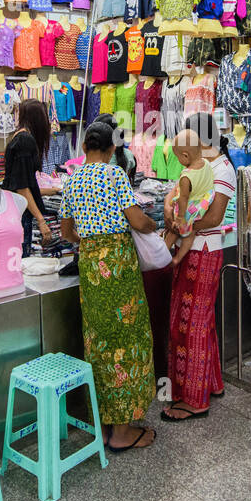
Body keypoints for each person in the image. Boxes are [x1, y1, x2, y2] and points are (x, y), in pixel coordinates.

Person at [59, 122, 159, 451]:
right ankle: (122, 431)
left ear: (85, 146)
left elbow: (66, 231)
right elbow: (136, 219)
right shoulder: (114, 174)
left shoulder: (72, 181)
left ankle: (102, 426)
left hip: (91, 269)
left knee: (99, 342)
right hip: (117, 267)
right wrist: (155, 223)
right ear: (112, 149)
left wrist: (87, 241)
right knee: (127, 340)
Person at [161, 112, 234, 421]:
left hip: (203, 250)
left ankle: (193, 400)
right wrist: (170, 209)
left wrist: (180, 225)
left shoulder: (222, 169)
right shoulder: (200, 165)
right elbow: (175, 193)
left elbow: (214, 218)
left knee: (190, 324)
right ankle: (212, 384)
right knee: (201, 322)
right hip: (194, 247)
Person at [2, 99, 56, 257]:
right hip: (19, 212)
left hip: (15, 207)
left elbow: (21, 182)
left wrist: (49, 191)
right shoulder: (25, 140)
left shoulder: (19, 137)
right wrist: (41, 221)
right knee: (21, 260)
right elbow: (21, 187)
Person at [162, 130, 215, 264]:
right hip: (202, 207)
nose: (179, 161)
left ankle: (162, 255)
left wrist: (179, 218)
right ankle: (178, 258)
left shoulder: (186, 176)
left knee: (173, 232)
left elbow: (183, 198)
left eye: (178, 157)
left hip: (187, 211)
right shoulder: (207, 164)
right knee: (190, 235)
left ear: (185, 156)